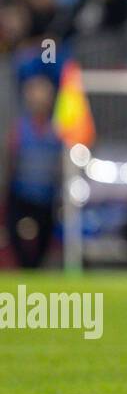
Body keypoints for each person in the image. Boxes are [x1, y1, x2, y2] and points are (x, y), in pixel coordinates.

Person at [6, 76, 62, 269]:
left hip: (47, 194)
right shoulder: (20, 128)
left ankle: (35, 269)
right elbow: (10, 160)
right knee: (15, 234)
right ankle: (24, 268)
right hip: (21, 192)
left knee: (46, 237)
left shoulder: (57, 129)